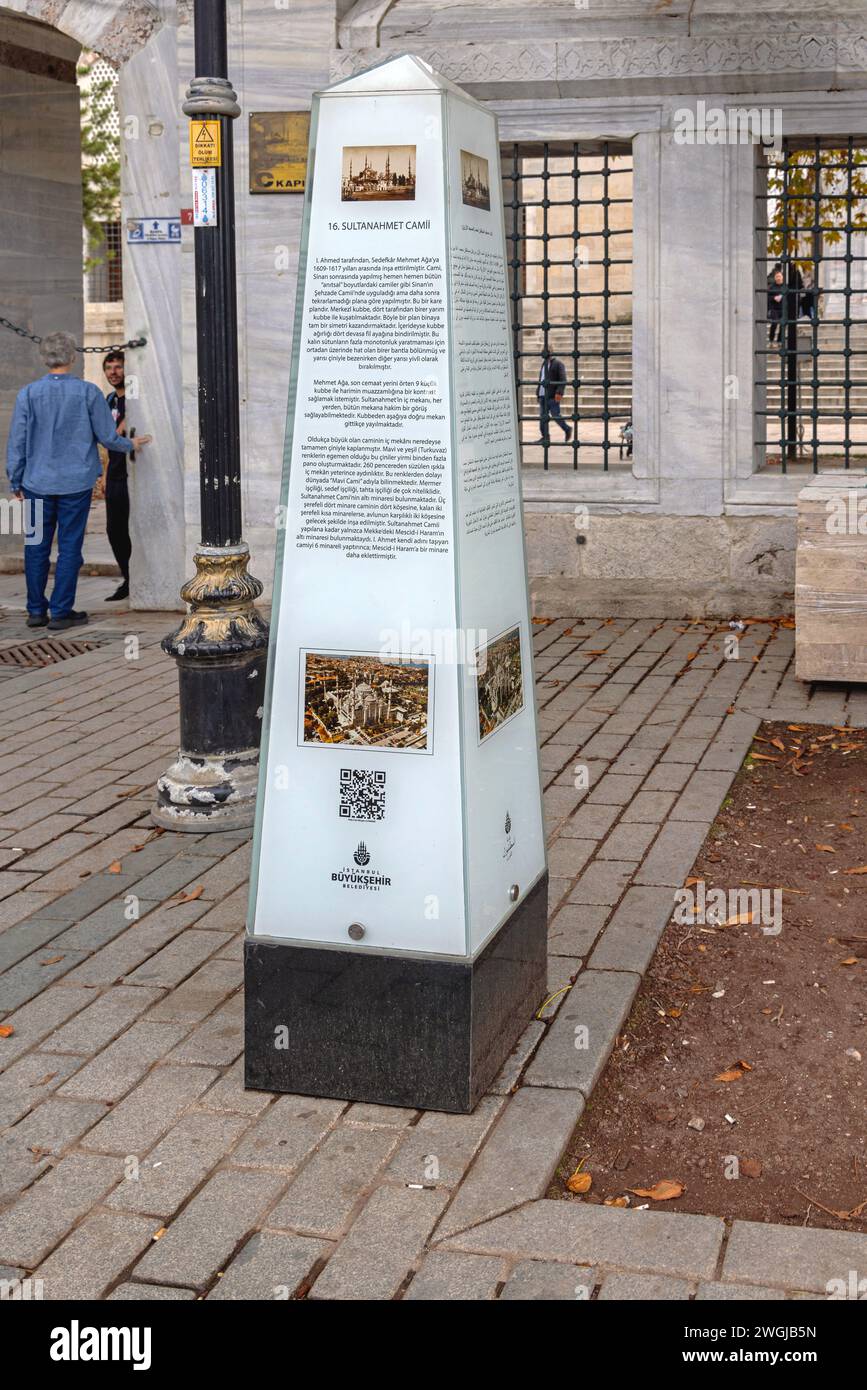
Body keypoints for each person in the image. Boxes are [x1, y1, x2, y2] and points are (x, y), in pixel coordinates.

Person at [5, 331, 151, 631]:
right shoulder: (88, 393)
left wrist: (15, 480)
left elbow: (17, 442)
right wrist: (132, 445)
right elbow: (107, 436)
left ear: (44, 358)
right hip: (76, 484)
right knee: (70, 546)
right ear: (73, 357)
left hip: (35, 484)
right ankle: (60, 611)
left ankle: (35, 611)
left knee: (35, 546)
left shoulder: (28, 394)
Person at [102, 350, 132, 602]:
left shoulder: (134, 401)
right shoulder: (109, 400)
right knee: (114, 530)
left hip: (132, 473)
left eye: (118, 367)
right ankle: (128, 578)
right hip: (114, 474)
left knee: (134, 528)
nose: (113, 372)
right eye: (109, 367)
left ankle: (137, 578)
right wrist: (102, 475)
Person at [537, 348, 572, 444]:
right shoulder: (544, 364)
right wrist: (538, 393)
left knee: (556, 415)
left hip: (552, 395)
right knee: (543, 417)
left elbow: (563, 379)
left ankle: (567, 429)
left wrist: (559, 392)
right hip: (542, 395)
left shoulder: (558, 364)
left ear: (550, 352)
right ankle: (545, 437)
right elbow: (541, 378)